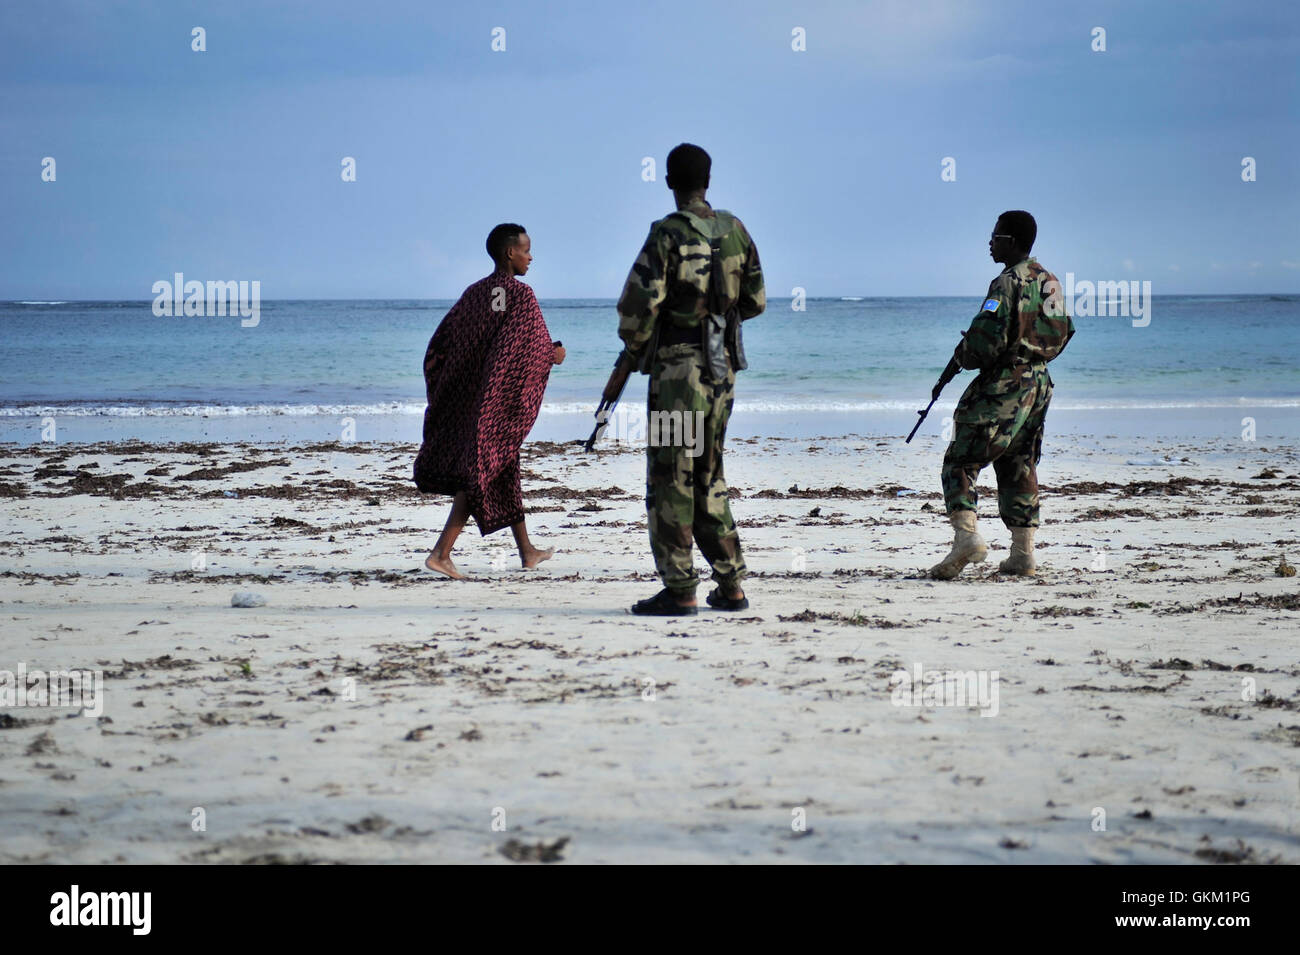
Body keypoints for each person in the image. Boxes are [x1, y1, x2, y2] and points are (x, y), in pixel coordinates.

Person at [614, 143, 765, 615]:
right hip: (723, 372)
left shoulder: (668, 233)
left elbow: (636, 310)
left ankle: (681, 589)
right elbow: (756, 300)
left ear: (668, 181)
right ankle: (731, 584)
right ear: (709, 181)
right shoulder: (735, 229)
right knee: (709, 474)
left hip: (678, 375)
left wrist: (637, 351)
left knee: (671, 478)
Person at [413, 223, 566, 579]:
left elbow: (443, 344)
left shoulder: (474, 294)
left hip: (473, 403)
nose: (531, 257)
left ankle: (527, 551)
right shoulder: (520, 295)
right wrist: (553, 355)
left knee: (504, 468)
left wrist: (451, 389)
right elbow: (524, 351)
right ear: (509, 253)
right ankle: (441, 553)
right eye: (526, 250)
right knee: (480, 472)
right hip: (495, 406)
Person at [929, 210, 1075, 580]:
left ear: (1010, 241)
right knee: (1019, 462)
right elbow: (1066, 330)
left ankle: (967, 538)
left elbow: (984, 341)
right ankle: (1023, 555)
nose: (989, 243)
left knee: (961, 459)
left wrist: (961, 358)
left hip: (1006, 382)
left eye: (994, 236)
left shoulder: (1006, 282)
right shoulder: (1049, 280)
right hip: (1039, 384)